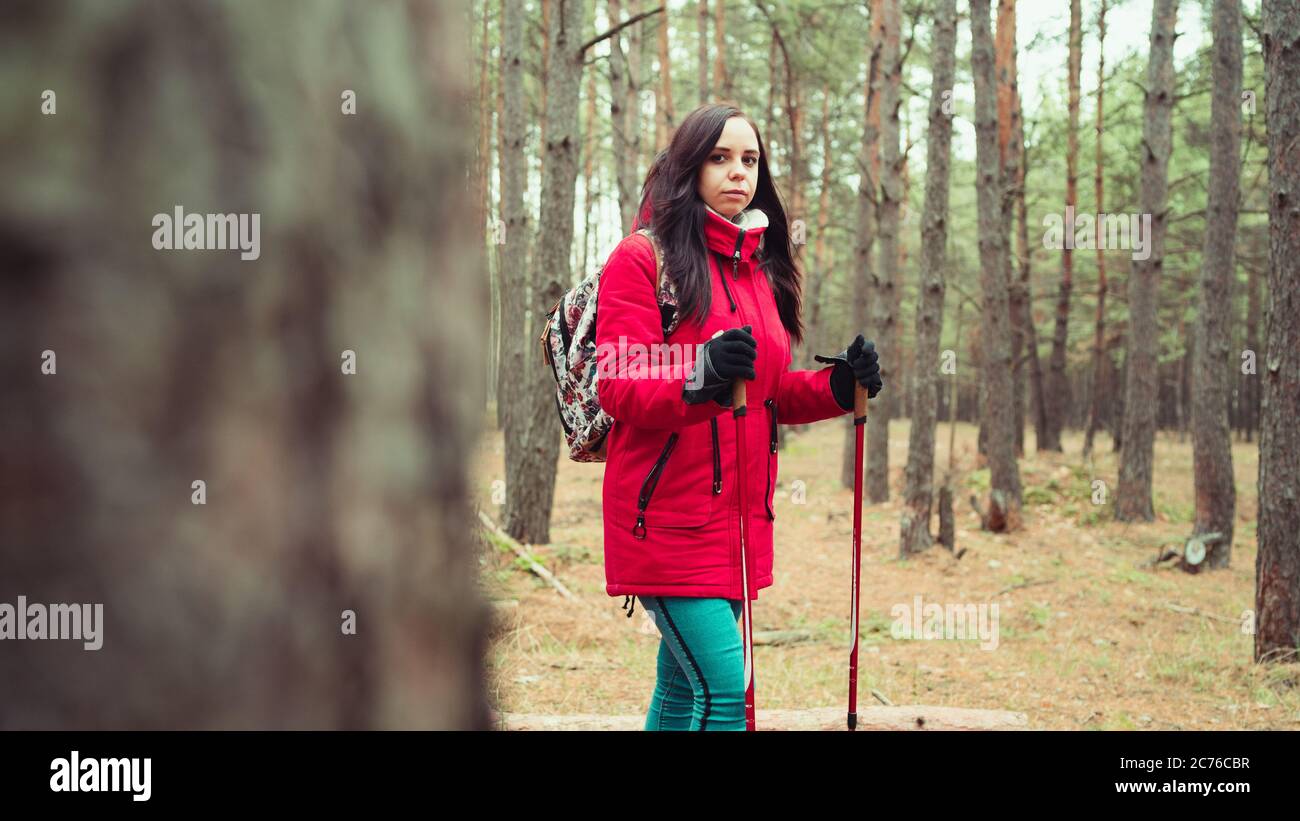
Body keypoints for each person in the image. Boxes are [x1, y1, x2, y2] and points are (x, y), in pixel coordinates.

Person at [595, 103, 882, 731]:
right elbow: (619, 384)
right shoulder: (642, 261)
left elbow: (770, 391)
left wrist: (838, 386)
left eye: (749, 159)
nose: (737, 172)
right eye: (719, 157)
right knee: (727, 694)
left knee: (680, 693)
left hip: (739, 528)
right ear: (688, 166)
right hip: (665, 522)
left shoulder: (759, 268)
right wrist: (698, 376)